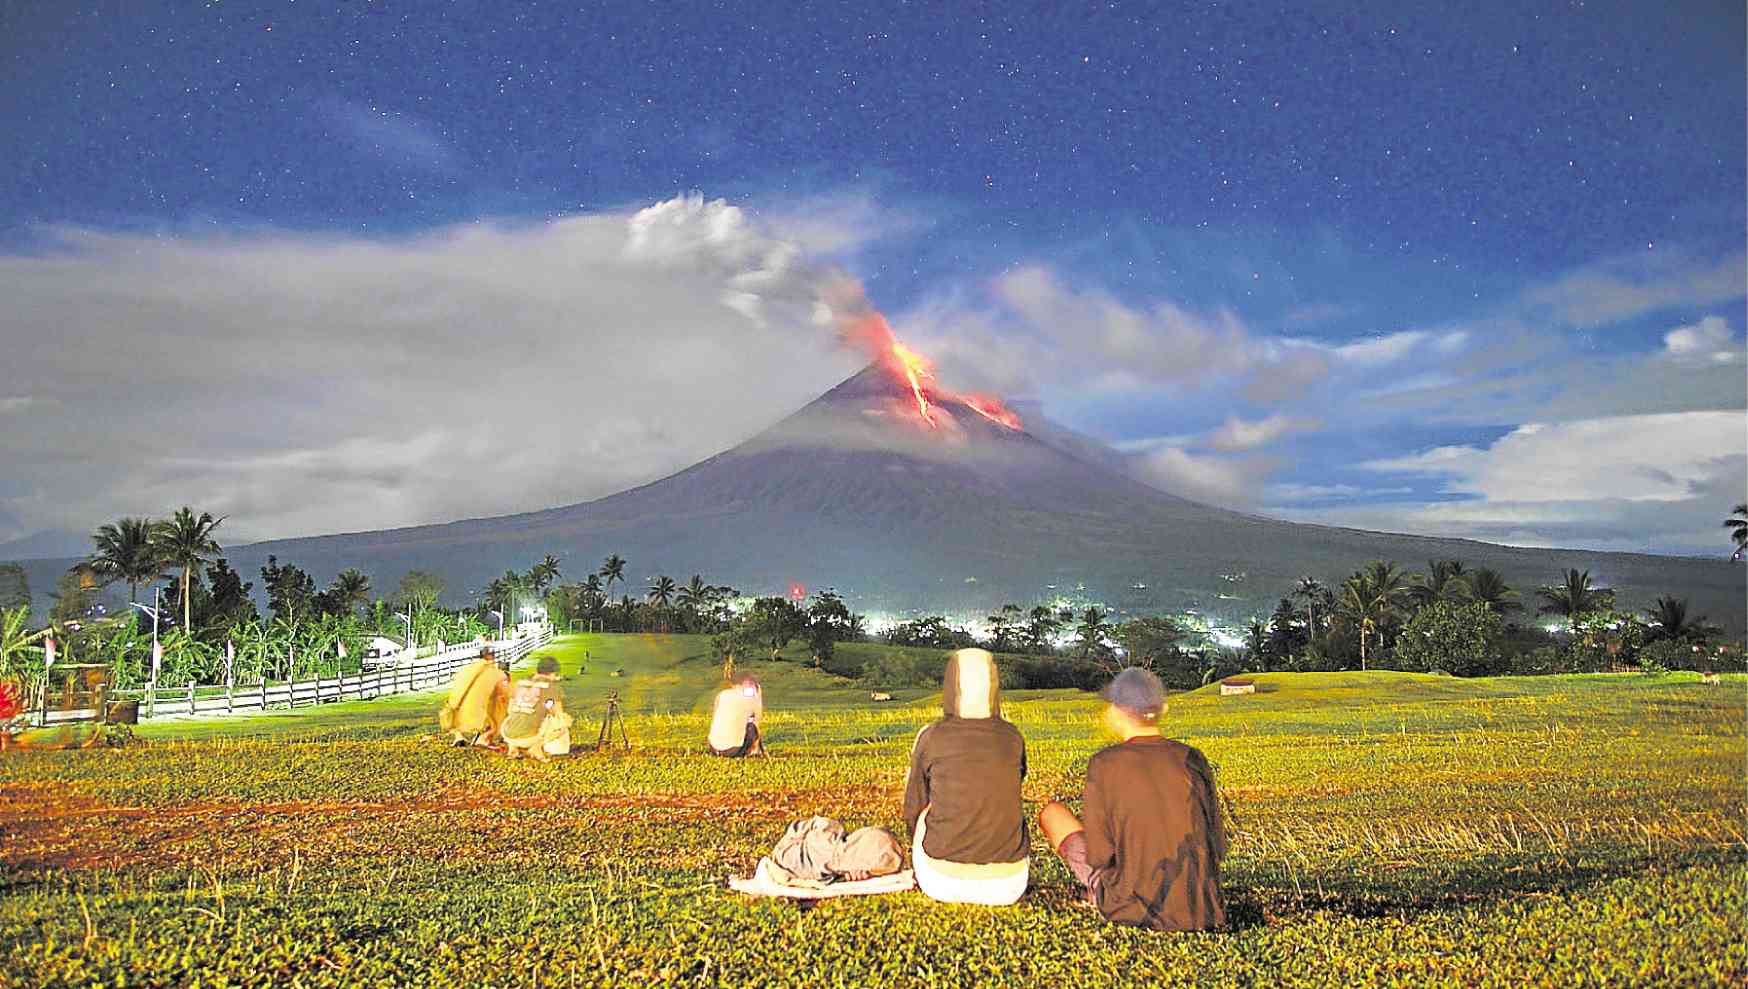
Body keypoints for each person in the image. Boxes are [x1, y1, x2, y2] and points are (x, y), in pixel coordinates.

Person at [1038, 667, 1227, 932]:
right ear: (1163, 710)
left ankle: (1102, 897)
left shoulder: (1104, 763)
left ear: (1116, 712)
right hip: (1202, 910)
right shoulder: (1193, 758)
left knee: (1053, 813)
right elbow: (1217, 844)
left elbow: (1099, 855)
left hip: (1132, 909)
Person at [902, 648, 1028, 905]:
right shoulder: (1013, 737)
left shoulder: (931, 736)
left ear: (950, 687)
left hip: (940, 882)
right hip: (1009, 885)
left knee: (926, 810)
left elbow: (913, 809)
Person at [502, 655, 572, 761]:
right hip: (529, 737)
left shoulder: (520, 682)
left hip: (506, 733)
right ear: (553, 673)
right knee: (564, 721)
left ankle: (513, 748)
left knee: (517, 713)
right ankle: (536, 747)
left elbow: (510, 707)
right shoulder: (551, 686)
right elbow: (558, 712)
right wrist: (546, 706)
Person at [440, 645, 509, 747]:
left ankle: (459, 736)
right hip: (481, 717)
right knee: (500, 704)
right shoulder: (497, 674)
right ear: (492, 656)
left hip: (457, 713)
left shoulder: (465, 671)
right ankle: (485, 736)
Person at [708, 673, 766, 757]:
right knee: (751, 727)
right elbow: (757, 721)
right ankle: (753, 751)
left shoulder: (722, 695)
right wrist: (758, 697)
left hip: (713, 748)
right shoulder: (750, 699)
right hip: (732, 751)